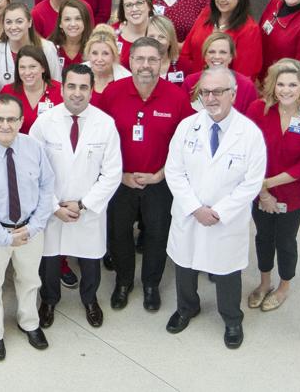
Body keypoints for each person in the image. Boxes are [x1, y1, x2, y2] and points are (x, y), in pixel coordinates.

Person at [164, 67, 267, 349]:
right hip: (190, 214)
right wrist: (195, 208)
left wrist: (218, 211)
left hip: (226, 220)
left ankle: (232, 318)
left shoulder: (249, 134)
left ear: (232, 94)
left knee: (226, 271)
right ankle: (187, 308)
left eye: (218, 91)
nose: (210, 98)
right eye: (205, 92)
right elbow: (174, 171)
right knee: (184, 264)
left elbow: (251, 183)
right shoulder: (187, 126)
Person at [98, 37, 192, 311]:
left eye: (153, 59)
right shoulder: (112, 93)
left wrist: (163, 173)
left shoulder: (176, 98)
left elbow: (185, 143)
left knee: (157, 233)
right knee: (119, 233)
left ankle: (151, 283)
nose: (146, 65)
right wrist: (120, 175)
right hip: (120, 181)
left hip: (159, 181)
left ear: (162, 62)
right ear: (130, 61)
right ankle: (124, 281)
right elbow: (100, 139)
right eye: (140, 59)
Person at [0, 94, 55, 361]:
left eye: (12, 119)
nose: (5, 125)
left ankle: (29, 323)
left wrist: (35, 226)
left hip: (29, 230)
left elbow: (46, 187)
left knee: (29, 280)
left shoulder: (35, 149)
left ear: (22, 120)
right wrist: (3, 237)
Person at [30, 64, 121, 328]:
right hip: (52, 207)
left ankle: (90, 299)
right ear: (62, 88)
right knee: (49, 259)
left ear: (92, 90)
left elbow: (112, 173)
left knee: (90, 258)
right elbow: (31, 169)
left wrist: (84, 204)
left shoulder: (105, 124)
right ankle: (48, 300)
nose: (77, 93)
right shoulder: (44, 123)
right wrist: (53, 205)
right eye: (71, 86)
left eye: (83, 87)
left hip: (88, 208)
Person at [245, 59, 300, 312]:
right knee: (263, 236)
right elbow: (248, 151)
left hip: (294, 194)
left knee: (286, 240)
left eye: (292, 85)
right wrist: (262, 191)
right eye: (281, 84)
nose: (286, 90)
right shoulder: (258, 110)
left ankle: (283, 286)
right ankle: (265, 282)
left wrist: (266, 183)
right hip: (259, 192)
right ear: (272, 86)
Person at [179, 0, 262, 78]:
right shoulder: (206, 14)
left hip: (224, 90)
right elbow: (186, 52)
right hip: (194, 84)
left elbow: (243, 75)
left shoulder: (249, 29)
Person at [0, 3, 62, 91]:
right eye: (8, 22)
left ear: (29, 22)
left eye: (19, 21)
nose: (13, 27)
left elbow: (56, 85)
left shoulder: (47, 48)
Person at [182, 32, 259, 113]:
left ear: (231, 57)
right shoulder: (190, 82)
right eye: (212, 52)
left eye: (223, 52)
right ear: (205, 56)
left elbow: (250, 122)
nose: (217, 57)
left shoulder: (246, 87)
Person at [0, 46, 64, 134]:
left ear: (43, 68)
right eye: (22, 67)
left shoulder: (60, 90)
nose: (27, 72)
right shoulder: (7, 92)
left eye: (32, 67)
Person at [84, 25, 131, 101]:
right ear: (88, 54)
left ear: (114, 55)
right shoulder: (77, 74)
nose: (99, 59)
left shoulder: (127, 79)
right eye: (95, 53)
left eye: (105, 53)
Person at [114, 0, 154, 68]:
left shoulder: (161, 32)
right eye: (128, 5)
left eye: (139, 3)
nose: (134, 9)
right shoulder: (111, 33)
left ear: (149, 6)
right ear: (123, 9)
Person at [49, 0, 93, 68]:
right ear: (60, 23)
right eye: (67, 19)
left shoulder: (94, 47)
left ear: (85, 21)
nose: (73, 24)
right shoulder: (49, 47)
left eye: (78, 18)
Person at [146, 14, 189, 86]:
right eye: (151, 36)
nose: (156, 41)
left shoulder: (184, 66)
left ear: (170, 41)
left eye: (161, 37)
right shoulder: (137, 65)